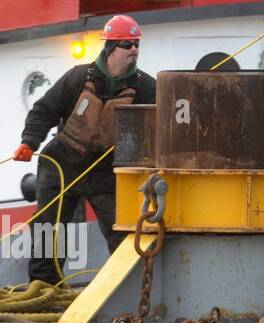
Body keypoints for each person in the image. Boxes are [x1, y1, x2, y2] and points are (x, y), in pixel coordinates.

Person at [14, 15, 157, 284]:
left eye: (137, 43)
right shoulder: (78, 77)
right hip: (61, 165)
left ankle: (125, 287)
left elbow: (157, 127)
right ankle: (44, 288)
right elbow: (44, 110)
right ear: (111, 47)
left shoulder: (146, 87)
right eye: (128, 44)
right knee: (48, 227)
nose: (134, 49)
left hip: (105, 171)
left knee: (121, 230)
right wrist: (29, 142)